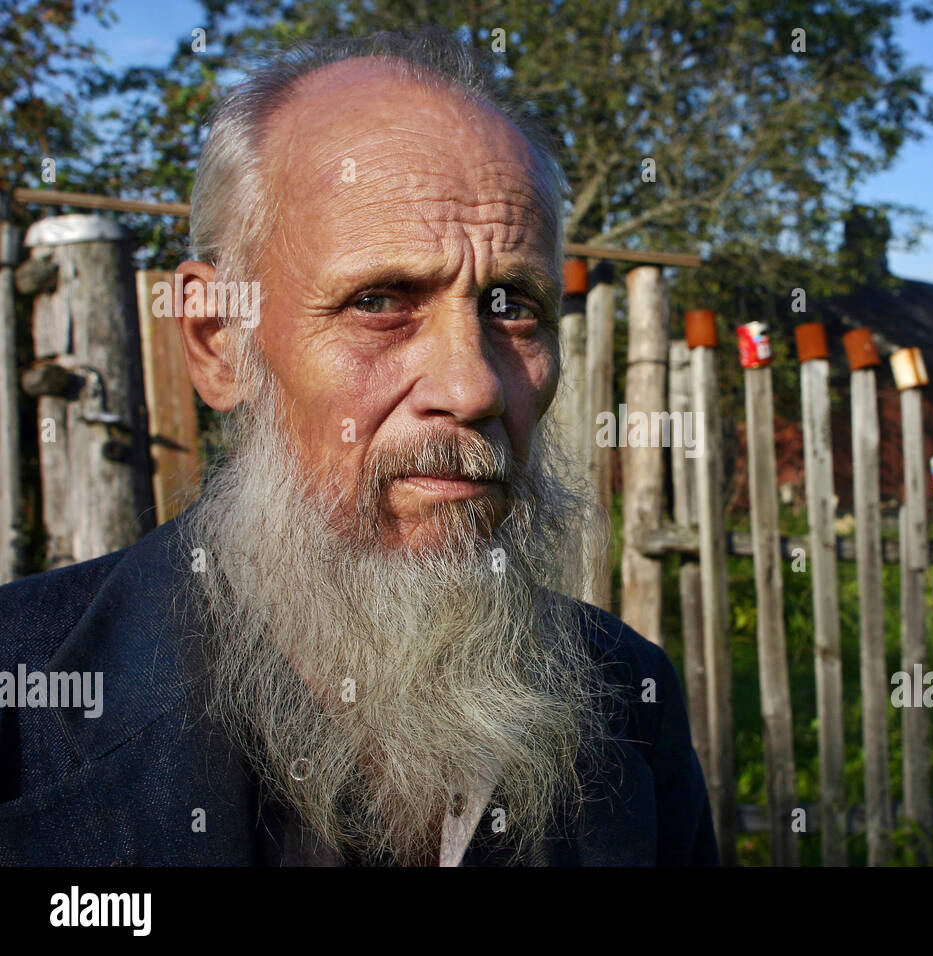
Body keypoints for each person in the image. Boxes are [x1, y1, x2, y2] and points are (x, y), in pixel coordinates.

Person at [0, 27, 718, 867]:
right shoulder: (22, 702)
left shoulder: (628, 697)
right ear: (217, 339)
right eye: (379, 300)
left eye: (510, 304)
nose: (473, 387)